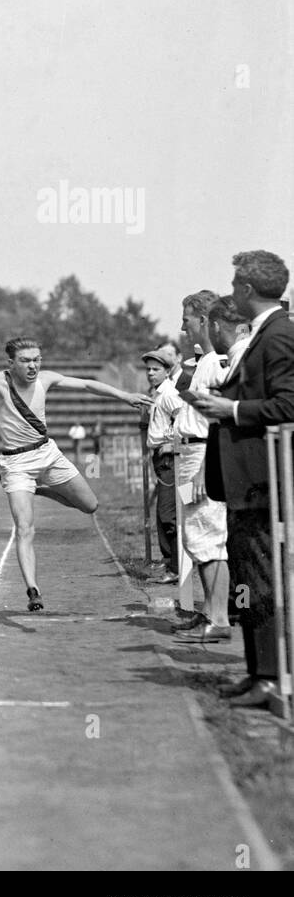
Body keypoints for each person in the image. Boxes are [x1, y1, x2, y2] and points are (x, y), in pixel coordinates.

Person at [0, 337, 151, 611]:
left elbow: (87, 384)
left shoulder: (46, 379)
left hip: (48, 453)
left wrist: (125, 396)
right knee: (25, 529)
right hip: (16, 463)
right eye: (26, 360)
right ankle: (33, 590)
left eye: (37, 359)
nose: (33, 366)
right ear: (11, 363)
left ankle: (37, 490)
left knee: (90, 505)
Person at [188, 253, 294, 710]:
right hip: (246, 481)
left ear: (247, 289)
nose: (230, 293)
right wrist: (220, 400)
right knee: (251, 578)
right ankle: (258, 673)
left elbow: (288, 406)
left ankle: (270, 677)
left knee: (263, 581)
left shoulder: (280, 335)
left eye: (234, 285)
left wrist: (228, 410)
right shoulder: (263, 335)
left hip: (264, 480)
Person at [152, 291, 233, 643]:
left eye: (186, 319)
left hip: (200, 458)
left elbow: (216, 423)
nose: (182, 326)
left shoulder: (215, 361)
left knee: (209, 536)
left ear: (203, 319)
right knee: (193, 535)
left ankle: (219, 618)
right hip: (186, 458)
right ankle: (207, 612)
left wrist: (203, 471)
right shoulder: (200, 363)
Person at [142, 344, 183, 581]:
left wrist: (172, 442)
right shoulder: (156, 393)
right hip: (159, 456)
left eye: (155, 369)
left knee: (168, 514)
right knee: (162, 513)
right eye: (148, 370)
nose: (150, 373)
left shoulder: (168, 394)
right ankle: (171, 564)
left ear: (167, 372)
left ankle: (176, 568)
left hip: (169, 458)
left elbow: (185, 418)